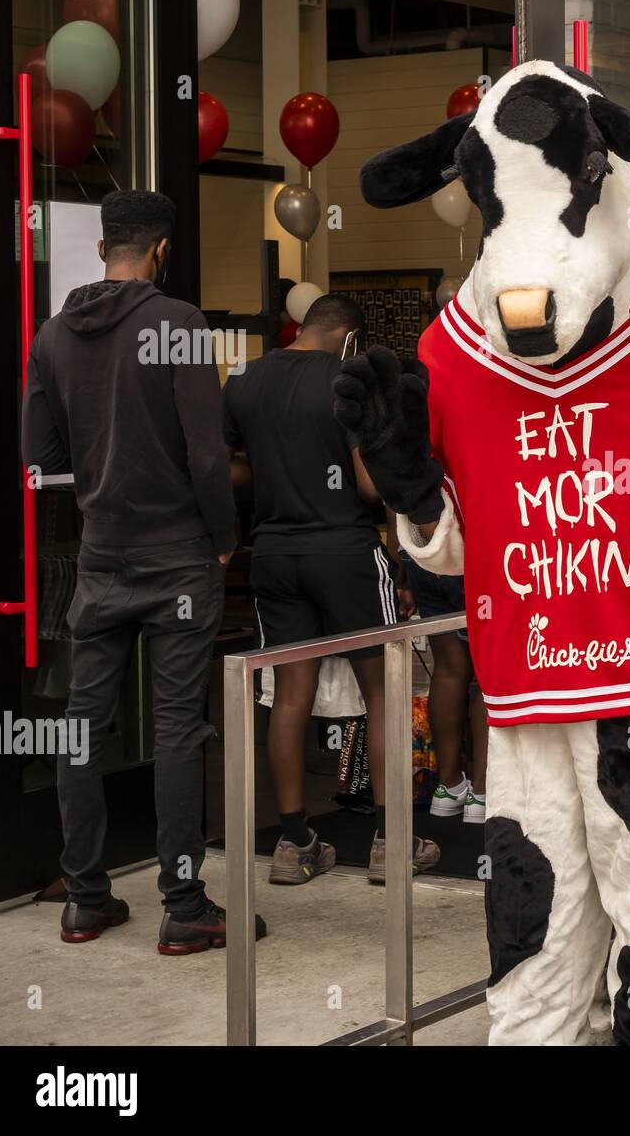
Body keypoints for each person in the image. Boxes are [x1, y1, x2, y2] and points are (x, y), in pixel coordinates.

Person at [21, 189, 261, 953]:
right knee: (177, 729)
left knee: (83, 728)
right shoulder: (179, 323)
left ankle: (85, 900)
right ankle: (183, 905)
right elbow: (203, 451)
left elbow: (42, 455)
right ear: (162, 252)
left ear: (102, 250)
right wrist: (223, 540)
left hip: (101, 558)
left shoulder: (52, 336)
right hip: (178, 559)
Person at [222, 294, 439, 885]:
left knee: (290, 695)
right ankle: (390, 843)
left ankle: (294, 844)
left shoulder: (245, 380)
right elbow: (369, 487)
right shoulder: (350, 377)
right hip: (345, 551)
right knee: (384, 693)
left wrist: (273, 472)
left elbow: (227, 468)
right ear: (349, 336)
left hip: (274, 554)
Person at [397, 555, 487, 822]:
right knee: (488, 676)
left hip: (422, 560)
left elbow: (395, 519)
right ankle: (481, 794)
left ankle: (449, 787)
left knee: (448, 670)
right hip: (473, 554)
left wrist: (403, 578)